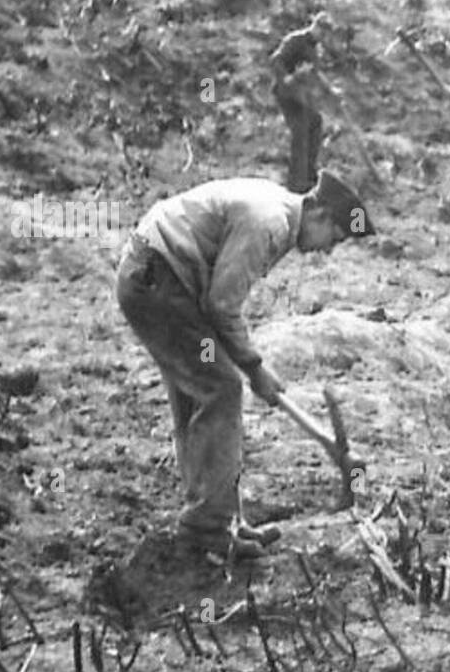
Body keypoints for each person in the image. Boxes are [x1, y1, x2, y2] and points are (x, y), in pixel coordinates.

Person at [116, 173, 374, 560]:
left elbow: (216, 299)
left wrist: (245, 362)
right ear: (317, 212)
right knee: (221, 389)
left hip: (163, 280)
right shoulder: (268, 222)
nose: (327, 252)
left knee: (201, 389)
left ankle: (218, 518)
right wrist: (254, 368)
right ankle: (207, 529)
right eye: (334, 238)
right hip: (160, 285)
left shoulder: (276, 210)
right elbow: (222, 303)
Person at [270, 11, 332, 192]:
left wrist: (330, 89)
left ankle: (309, 176)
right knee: (301, 132)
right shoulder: (295, 40)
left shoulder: (315, 49)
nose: (323, 34)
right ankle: (296, 184)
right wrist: (287, 77)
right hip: (286, 94)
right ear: (315, 25)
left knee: (315, 123)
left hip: (300, 96)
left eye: (326, 32)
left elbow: (316, 73)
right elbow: (276, 60)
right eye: (322, 29)